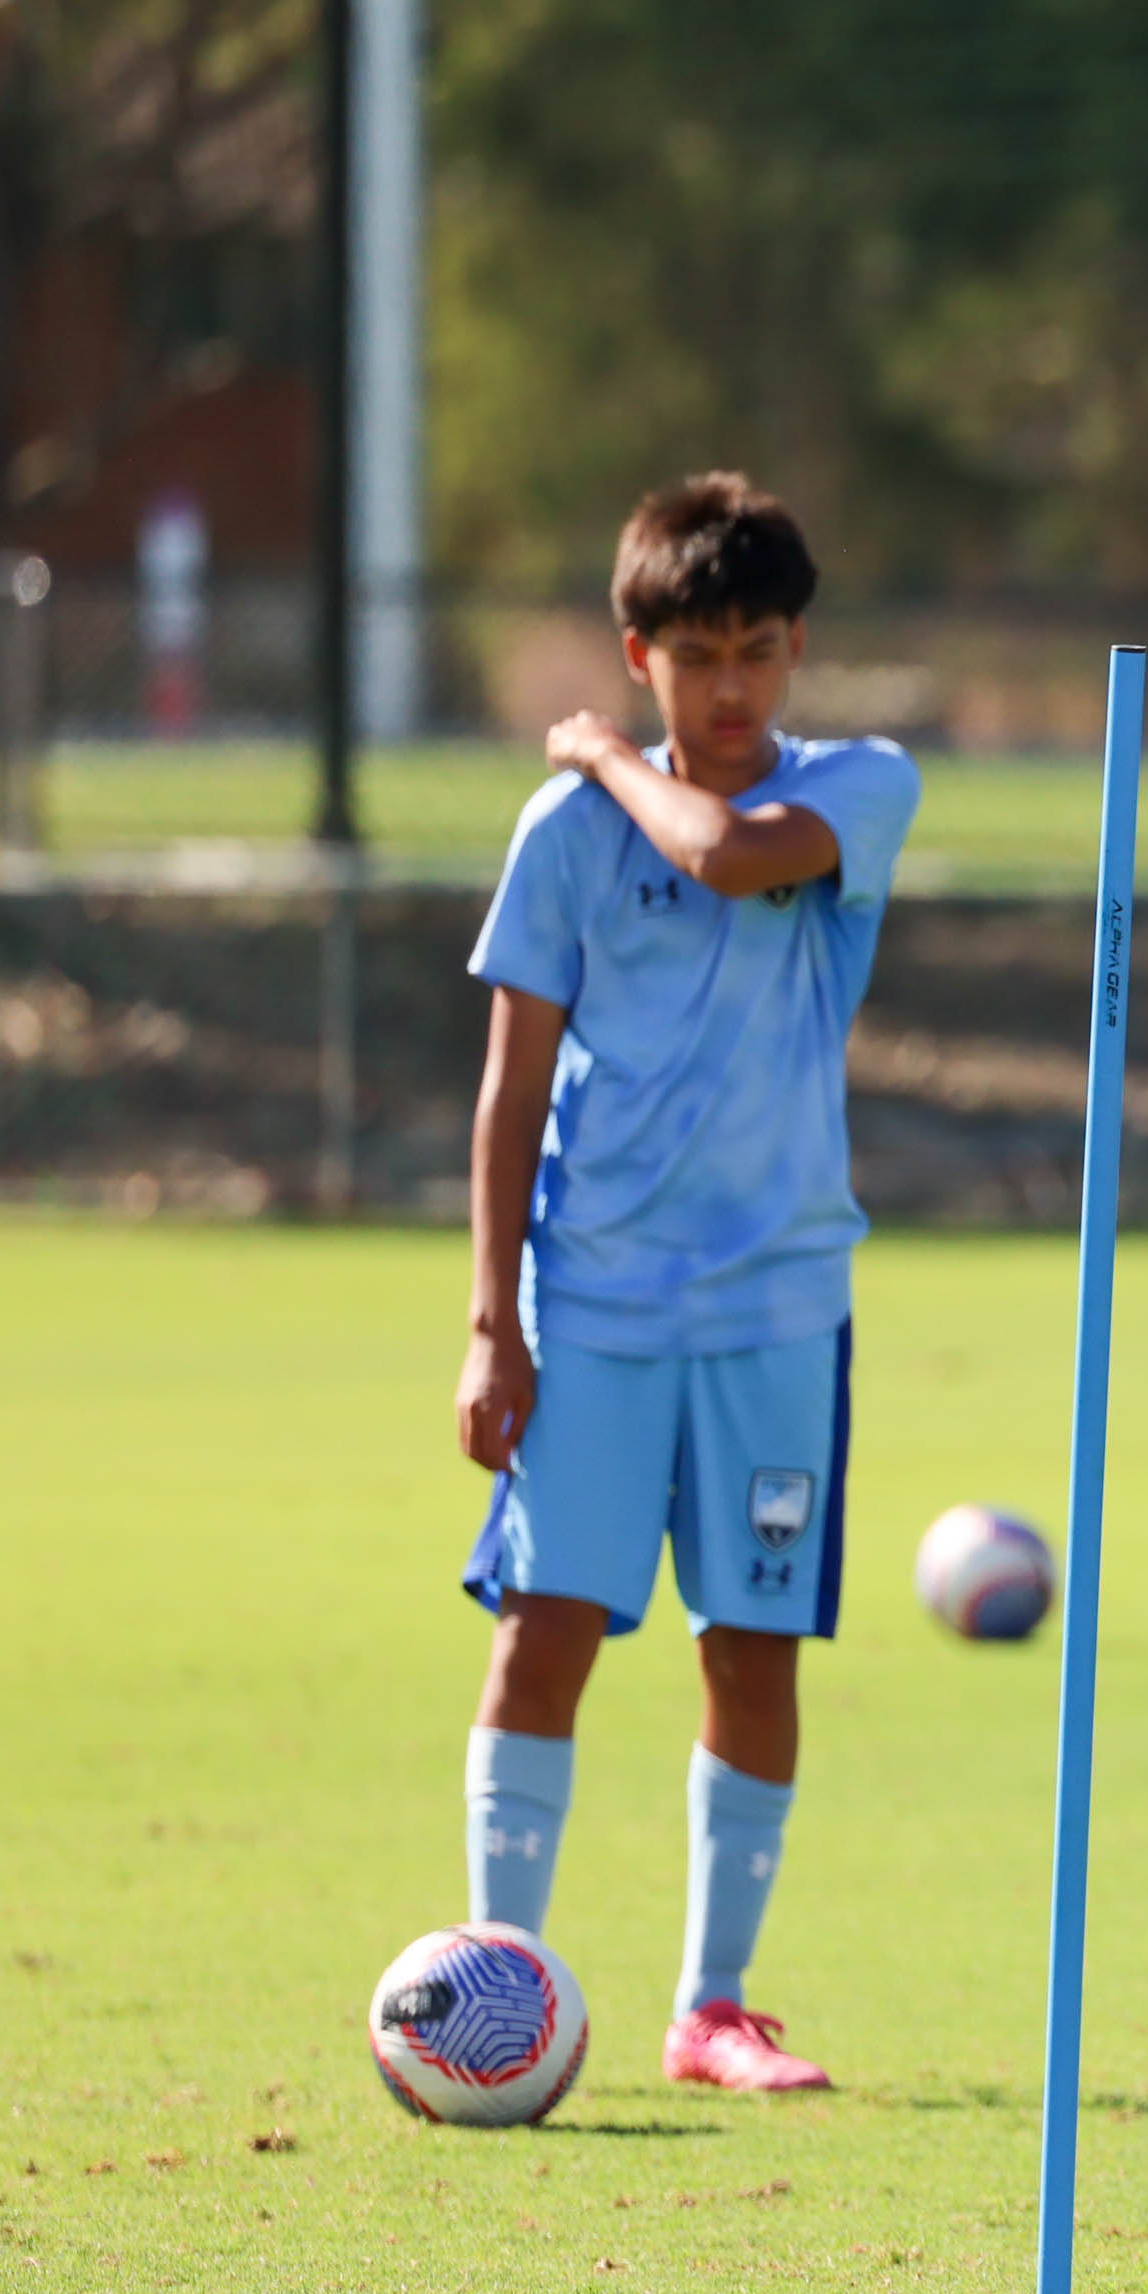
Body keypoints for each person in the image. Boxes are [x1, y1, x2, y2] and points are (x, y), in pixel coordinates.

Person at [451, 474, 924, 2095]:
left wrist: (595, 749)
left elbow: (723, 853)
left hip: (778, 1307)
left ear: (795, 649)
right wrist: (489, 1321)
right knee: (546, 1627)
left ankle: (711, 2005)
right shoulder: (561, 844)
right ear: (636, 647)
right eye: (696, 655)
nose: (730, 691)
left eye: (758, 653)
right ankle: (499, 1978)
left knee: (753, 1642)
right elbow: (509, 1095)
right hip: (592, 1304)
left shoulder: (859, 785)